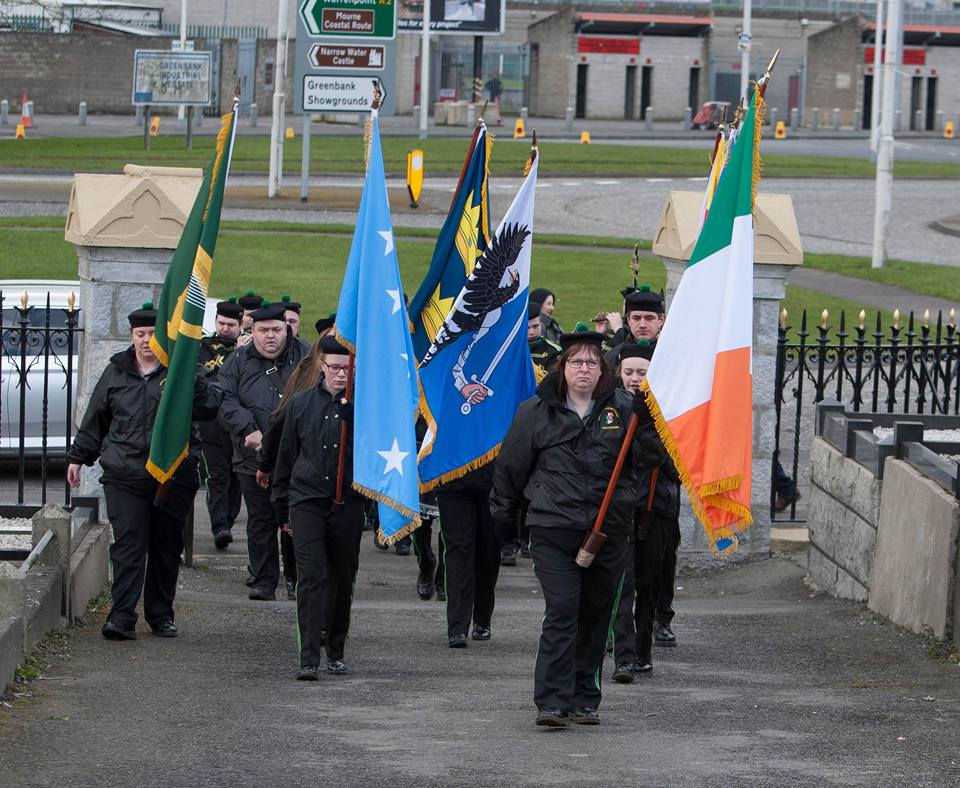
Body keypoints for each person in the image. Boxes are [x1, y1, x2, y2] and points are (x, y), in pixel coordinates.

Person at [490, 330, 661, 727]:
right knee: (563, 610)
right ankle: (551, 700)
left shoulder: (625, 409)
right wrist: (505, 521)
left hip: (608, 530)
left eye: (591, 363)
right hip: (554, 528)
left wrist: (649, 423)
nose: (584, 370)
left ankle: (585, 697)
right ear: (563, 368)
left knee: (595, 613)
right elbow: (511, 468)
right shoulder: (535, 412)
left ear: (603, 370)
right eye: (576, 362)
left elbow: (649, 460)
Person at [66, 302, 217, 640]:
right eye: (140, 334)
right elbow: (96, 419)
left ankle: (161, 615)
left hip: (172, 476)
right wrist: (78, 457)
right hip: (125, 475)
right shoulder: (116, 372)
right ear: (132, 336)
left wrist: (193, 381)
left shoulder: (180, 370)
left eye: (152, 334)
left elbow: (210, 407)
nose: (147, 340)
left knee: (166, 546)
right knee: (129, 544)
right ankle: (121, 617)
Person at [271, 335, 363, 679]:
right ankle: (308, 656)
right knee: (311, 577)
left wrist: (357, 421)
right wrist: (281, 506)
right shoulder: (301, 404)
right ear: (322, 366)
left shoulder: (363, 408)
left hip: (347, 501)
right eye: (335, 368)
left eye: (347, 369)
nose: (340, 374)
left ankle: (335, 649)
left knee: (341, 577)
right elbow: (286, 455)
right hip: (307, 500)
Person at [218, 301, 308, 601]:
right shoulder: (238, 360)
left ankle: (297, 578)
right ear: (252, 332)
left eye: (276, 330)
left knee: (295, 520)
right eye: (263, 330)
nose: (270, 336)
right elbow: (224, 399)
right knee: (260, 520)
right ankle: (264, 579)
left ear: (287, 330)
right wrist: (247, 429)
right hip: (251, 456)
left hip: (297, 458)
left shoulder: (307, 357)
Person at [610, 341, 681, 682]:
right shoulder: (608, 410)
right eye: (629, 372)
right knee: (620, 582)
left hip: (656, 508)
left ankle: (642, 650)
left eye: (642, 372)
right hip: (619, 510)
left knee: (649, 582)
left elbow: (673, 467)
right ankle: (623, 654)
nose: (635, 378)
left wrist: (649, 423)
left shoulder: (671, 411)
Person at [435, 461, 500, 648]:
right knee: (457, 551)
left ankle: (482, 618)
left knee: (489, 552)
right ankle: (457, 626)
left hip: (491, 479)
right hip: (451, 477)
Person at [198, 296, 245, 550]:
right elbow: (208, 378)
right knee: (217, 475)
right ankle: (219, 526)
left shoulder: (249, 348)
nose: (225, 329)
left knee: (236, 477)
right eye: (221, 323)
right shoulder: (204, 347)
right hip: (213, 423)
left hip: (239, 424)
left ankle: (228, 519)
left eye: (230, 325)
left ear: (240, 325)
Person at [604, 285, 665, 365]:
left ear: (661, 320)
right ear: (628, 320)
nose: (642, 325)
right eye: (636, 318)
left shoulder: (672, 354)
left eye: (649, 318)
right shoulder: (612, 357)